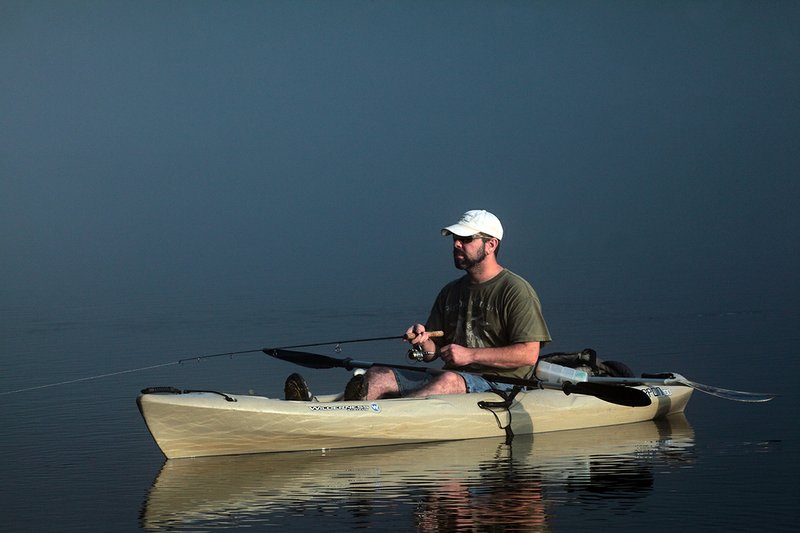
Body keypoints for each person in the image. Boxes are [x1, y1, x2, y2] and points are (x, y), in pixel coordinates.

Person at [284, 209, 551, 402]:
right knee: (379, 374)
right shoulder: (450, 292)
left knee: (448, 380)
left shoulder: (516, 290)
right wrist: (423, 341)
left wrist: (470, 356)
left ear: (491, 245)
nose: (456, 244)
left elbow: (528, 355)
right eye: (454, 239)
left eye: (466, 239)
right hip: (455, 376)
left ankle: (382, 416)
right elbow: (433, 352)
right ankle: (333, 412)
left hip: (502, 383)